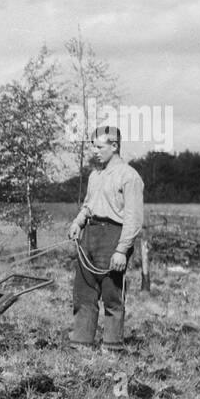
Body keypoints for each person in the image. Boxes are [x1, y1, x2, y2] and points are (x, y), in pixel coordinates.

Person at [67, 125, 144, 351]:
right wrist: (78, 221)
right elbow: (89, 205)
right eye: (93, 147)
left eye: (99, 147)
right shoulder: (95, 176)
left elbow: (134, 218)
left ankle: (111, 348)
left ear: (114, 146)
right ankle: (81, 345)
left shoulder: (130, 177)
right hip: (90, 235)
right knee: (84, 293)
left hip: (114, 236)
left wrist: (122, 249)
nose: (95, 152)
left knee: (112, 295)